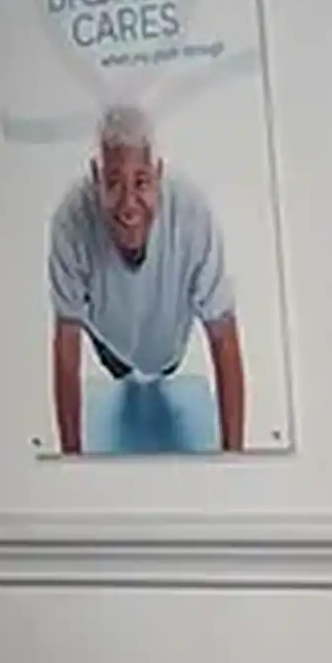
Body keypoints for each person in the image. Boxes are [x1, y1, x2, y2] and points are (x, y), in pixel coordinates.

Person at [46, 104, 246, 454]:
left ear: (158, 175)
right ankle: (123, 363)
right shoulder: (71, 220)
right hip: (111, 339)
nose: (128, 205)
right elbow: (66, 343)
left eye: (140, 182)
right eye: (113, 184)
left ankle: (158, 364)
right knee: (119, 366)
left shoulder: (192, 214)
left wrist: (234, 458)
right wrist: (71, 463)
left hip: (167, 343)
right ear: (95, 177)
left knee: (164, 364)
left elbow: (223, 335)